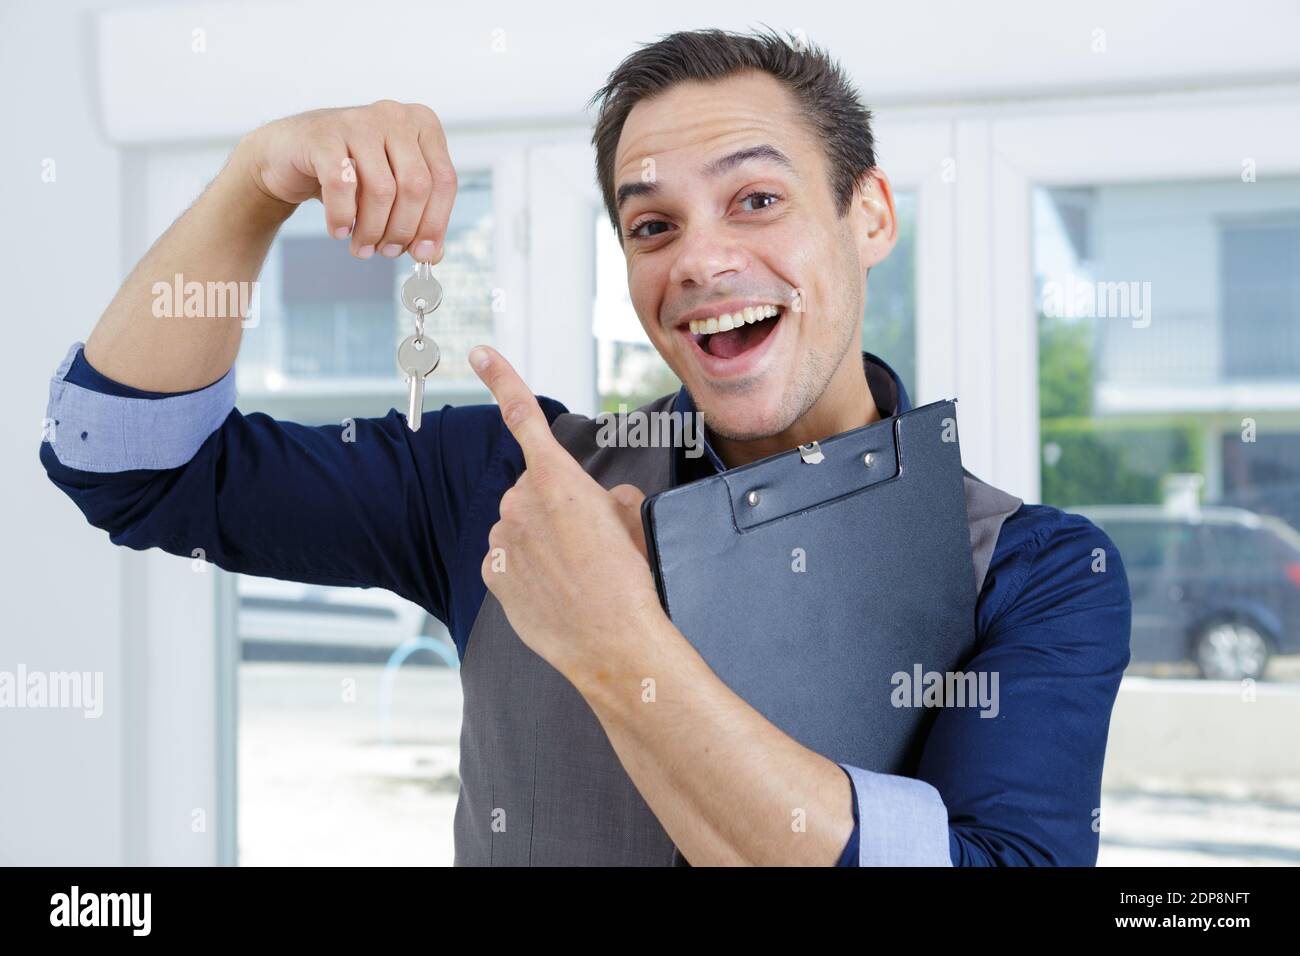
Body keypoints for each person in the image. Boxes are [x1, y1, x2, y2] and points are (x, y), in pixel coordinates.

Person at [40, 27, 1131, 866]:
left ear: (870, 216)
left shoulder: (1039, 571)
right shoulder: (505, 487)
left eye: (756, 198)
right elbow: (125, 460)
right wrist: (256, 181)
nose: (699, 259)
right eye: (652, 225)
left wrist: (614, 638)